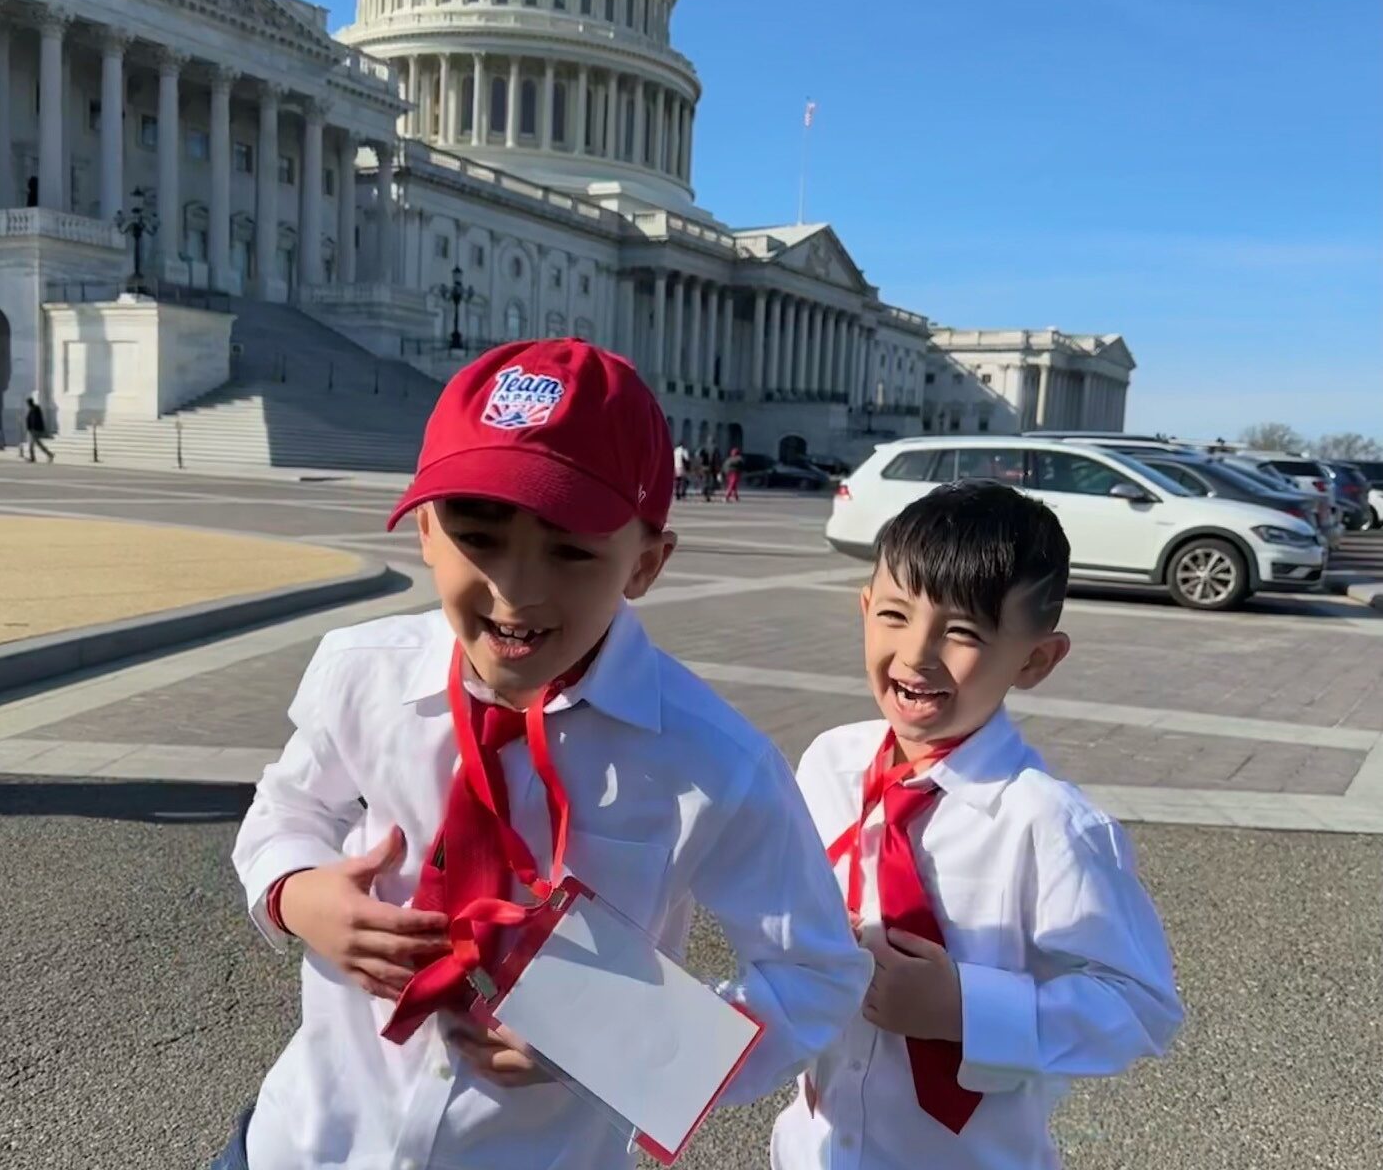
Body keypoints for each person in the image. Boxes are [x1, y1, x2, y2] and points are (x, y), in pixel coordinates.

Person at [221, 339, 871, 1170]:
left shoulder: (713, 760)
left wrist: (632, 1048)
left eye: (569, 550)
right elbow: (288, 806)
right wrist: (297, 892)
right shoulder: (363, 673)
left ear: (645, 563)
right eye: (478, 535)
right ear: (424, 528)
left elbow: (818, 972)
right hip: (309, 1139)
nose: (517, 589)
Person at [771, 481, 1182, 1170]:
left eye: (962, 632)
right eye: (895, 615)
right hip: (813, 1146)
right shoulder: (830, 764)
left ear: (1035, 660)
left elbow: (1141, 1008)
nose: (915, 655)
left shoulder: (1048, 824)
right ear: (866, 608)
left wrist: (964, 1007)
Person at [23, 396, 54, 463]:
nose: (28, 404)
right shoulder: (32, 409)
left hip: (35, 430)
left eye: (28, 403)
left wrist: (32, 428)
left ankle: (35, 457)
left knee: (32, 445)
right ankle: (49, 454)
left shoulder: (35, 409)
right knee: (37, 444)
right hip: (33, 430)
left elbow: (35, 420)